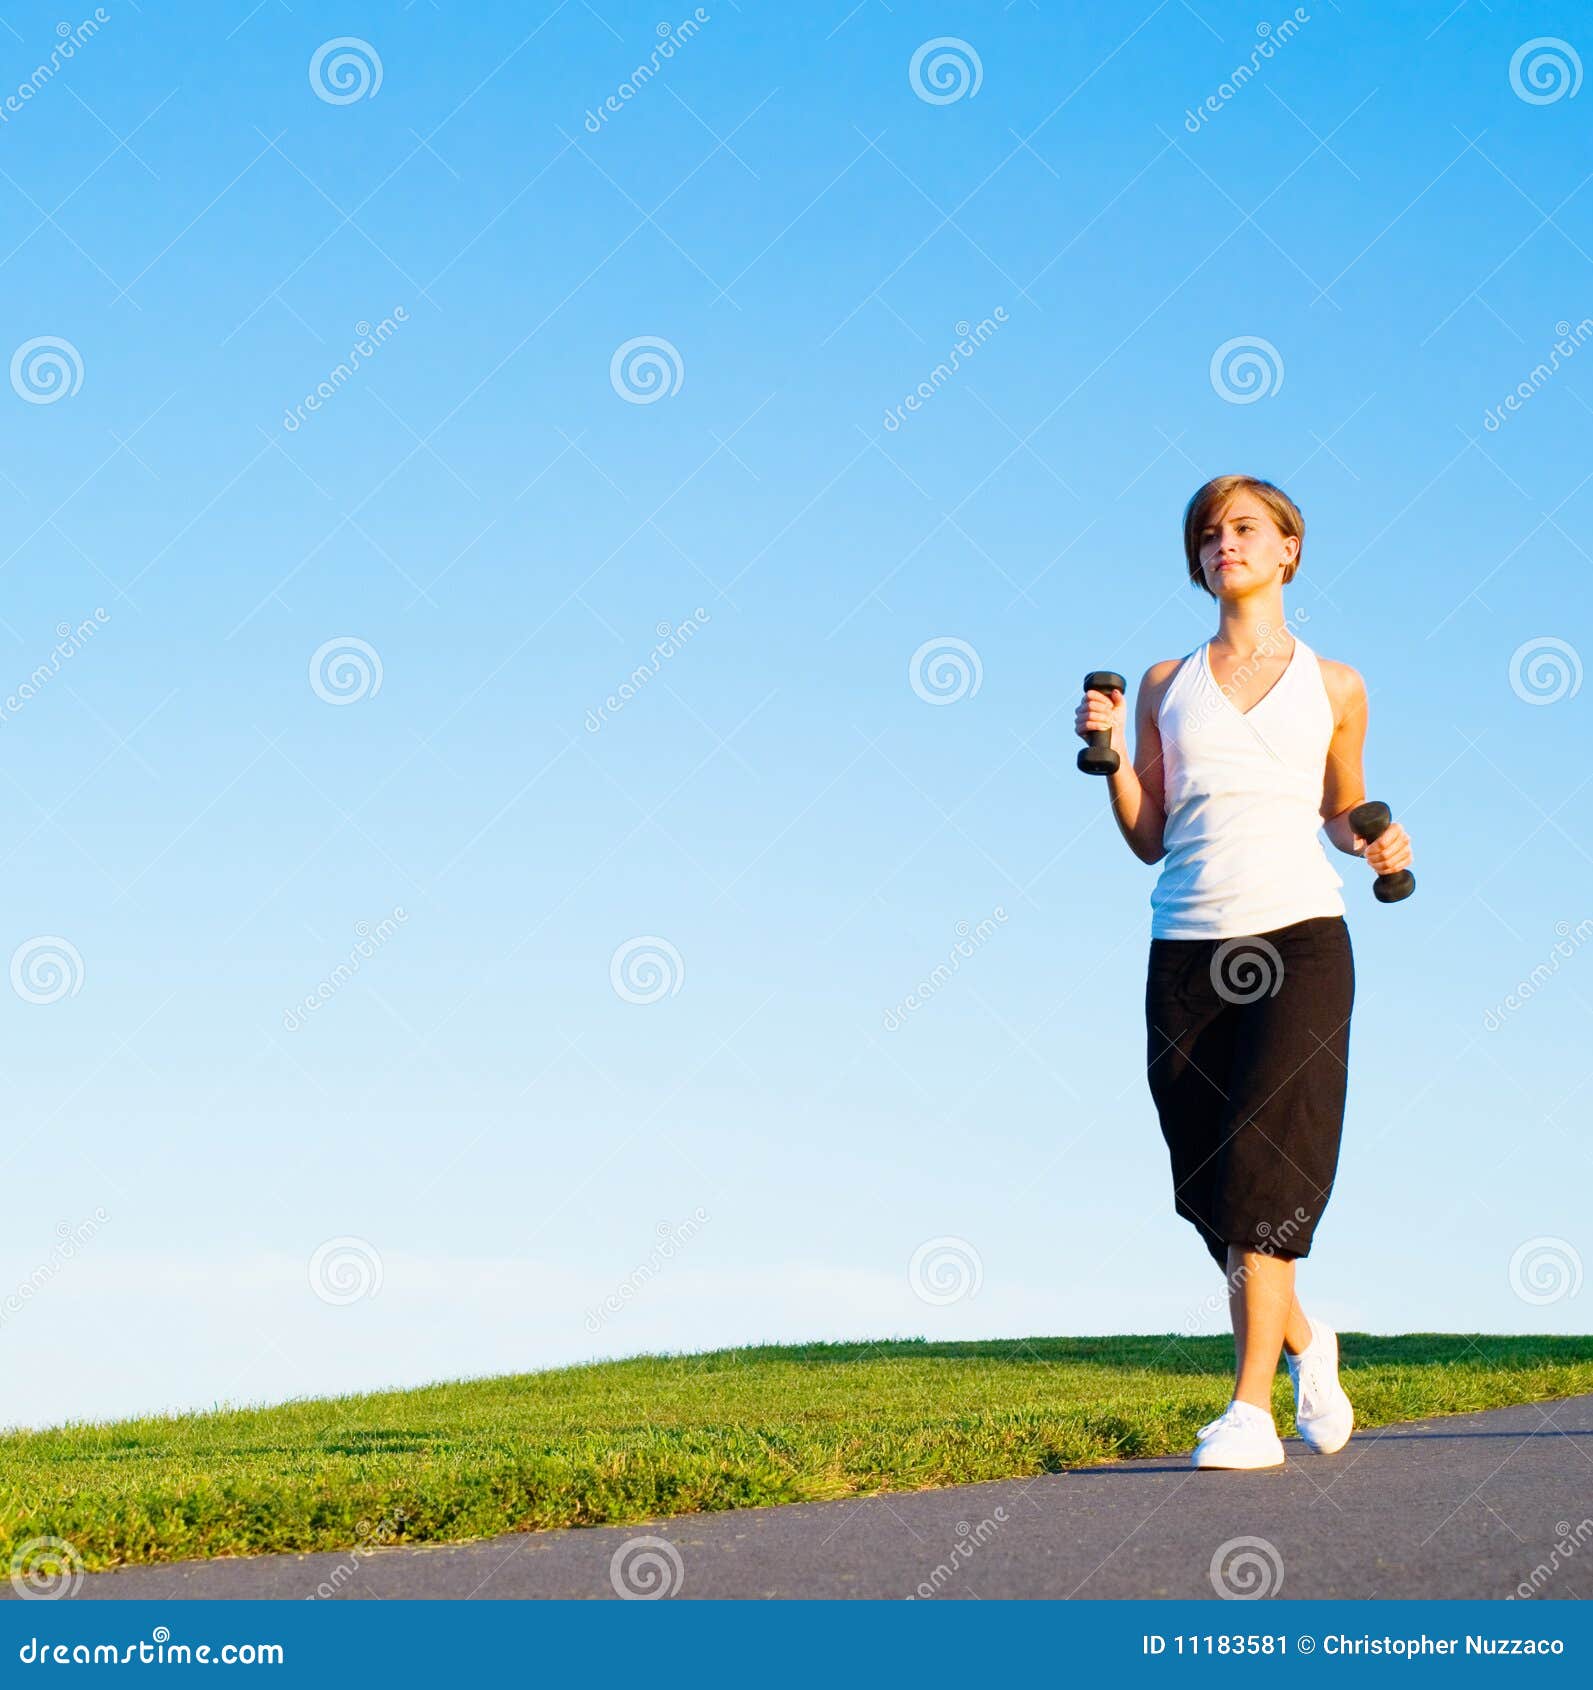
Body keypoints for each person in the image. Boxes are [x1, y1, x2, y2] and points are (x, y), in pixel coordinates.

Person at [1074, 474, 1413, 1471]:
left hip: (1300, 939)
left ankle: (1248, 1412)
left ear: (1288, 549)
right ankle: (1309, 1343)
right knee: (1215, 1188)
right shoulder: (1164, 682)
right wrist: (1107, 754)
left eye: (1246, 529)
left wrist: (1378, 844)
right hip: (1185, 945)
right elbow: (1147, 832)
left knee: (1267, 1170)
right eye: (1210, 533)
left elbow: (1343, 806)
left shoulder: (1337, 683)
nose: (1227, 543)